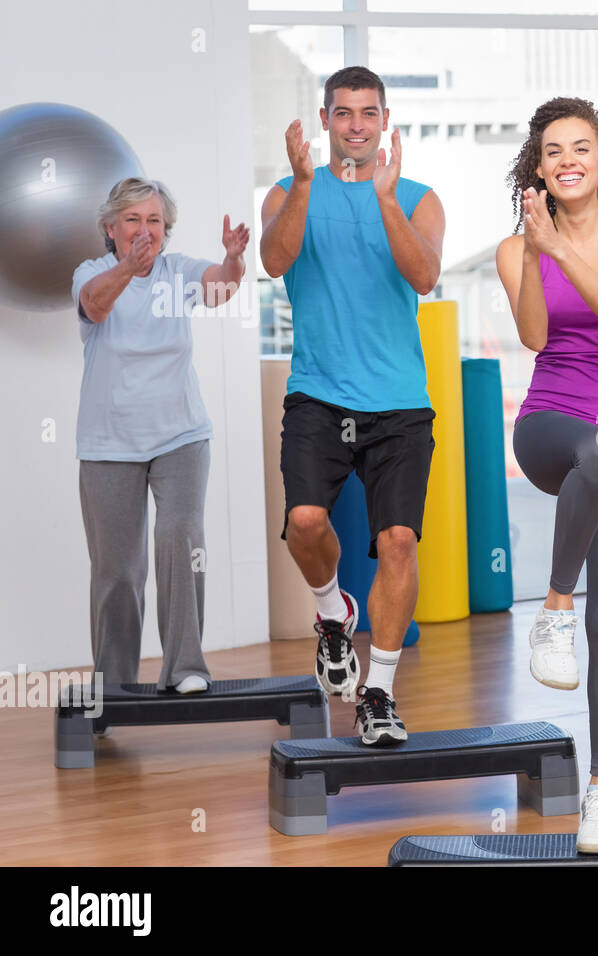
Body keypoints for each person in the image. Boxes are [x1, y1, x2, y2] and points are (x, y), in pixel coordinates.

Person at [259, 66, 446, 746]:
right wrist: (306, 186)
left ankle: (379, 693)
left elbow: (424, 277)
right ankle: (330, 611)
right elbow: (276, 261)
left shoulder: (419, 198)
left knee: (398, 540)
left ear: (384, 119)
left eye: (368, 114)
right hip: (318, 392)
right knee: (305, 524)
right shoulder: (287, 191)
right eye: (344, 114)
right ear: (326, 118)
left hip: (398, 402)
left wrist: (387, 202)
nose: (356, 126)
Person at [496, 97, 598, 853]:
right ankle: (553, 604)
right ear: (539, 167)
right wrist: (539, 251)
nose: (567, 159)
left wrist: (564, 252)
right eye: (553, 150)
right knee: (594, 449)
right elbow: (535, 336)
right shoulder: (514, 249)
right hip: (548, 426)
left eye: (581, 148)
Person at [72, 177, 247, 694]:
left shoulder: (179, 272)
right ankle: (114, 685)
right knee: (119, 571)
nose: (145, 230)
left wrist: (234, 259)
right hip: (108, 445)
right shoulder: (93, 272)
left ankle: (186, 666)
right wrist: (129, 267)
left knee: (181, 540)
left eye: (154, 221)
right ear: (111, 228)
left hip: (181, 438)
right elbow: (95, 306)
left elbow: (221, 287)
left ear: (166, 231)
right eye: (133, 220)